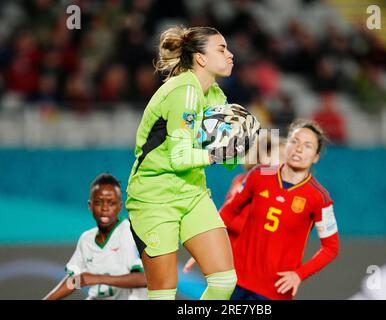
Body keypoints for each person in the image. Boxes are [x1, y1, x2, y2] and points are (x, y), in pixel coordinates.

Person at [126, 26, 242, 300]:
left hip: (192, 194)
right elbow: (180, 158)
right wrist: (217, 155)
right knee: (164, 295)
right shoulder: (183, 91)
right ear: (200, 58)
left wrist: (241, 147)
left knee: (224, 281)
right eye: (222, 49)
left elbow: (227, 160)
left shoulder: (215, 96)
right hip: (153, 199)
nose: (231, 55)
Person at [186, 119, 339, 300]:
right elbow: (229, 210)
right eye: (294, 141)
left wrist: (299, 274)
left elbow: (331, 247)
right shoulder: (259, 174)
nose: (298, 148)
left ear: (316, 156)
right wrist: (206, 244)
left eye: (307, 145)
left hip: (273, 292)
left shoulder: (319, 197)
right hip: (235, 281)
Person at [43, 173, 147, 300]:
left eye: (111, 203)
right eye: (98, 202)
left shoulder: (129, 233)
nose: (104, 208)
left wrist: (96, 278)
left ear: (120, 206)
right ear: (90, 205)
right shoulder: (86, 239)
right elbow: (76, 280)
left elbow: (145, 278)